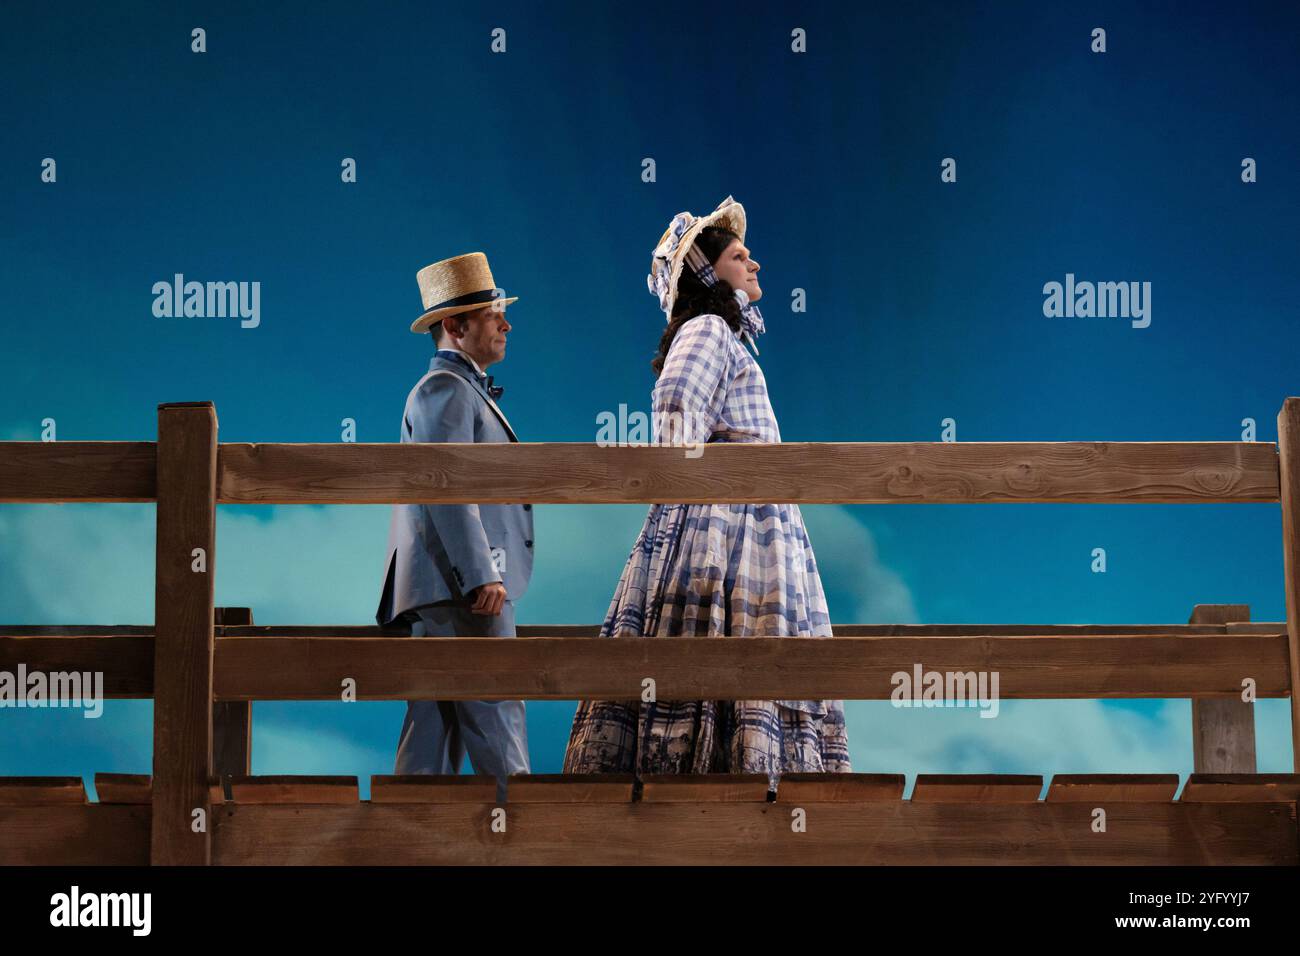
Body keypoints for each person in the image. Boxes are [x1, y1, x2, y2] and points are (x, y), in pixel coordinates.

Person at [563, 196, 851, 778]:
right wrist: (703, 483)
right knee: (726, 643)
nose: (756, 264)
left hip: (752, 514)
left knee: (750, 645)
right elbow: (675, 413)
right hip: (726, 522)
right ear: (707, 269)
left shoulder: (724, 334)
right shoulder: (709, 329)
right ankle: (712, 783)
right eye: (742, 256)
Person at [376, 251, 533, 789]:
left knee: (433, 728)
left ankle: (404, 843)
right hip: (465, 589)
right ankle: (524, 843)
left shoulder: (451, 389)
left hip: (444, 589)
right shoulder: (444, 389)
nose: (506, 324)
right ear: (454, 326)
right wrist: (483, 571)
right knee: (497, 715)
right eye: (494, 315)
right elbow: (446, 486)